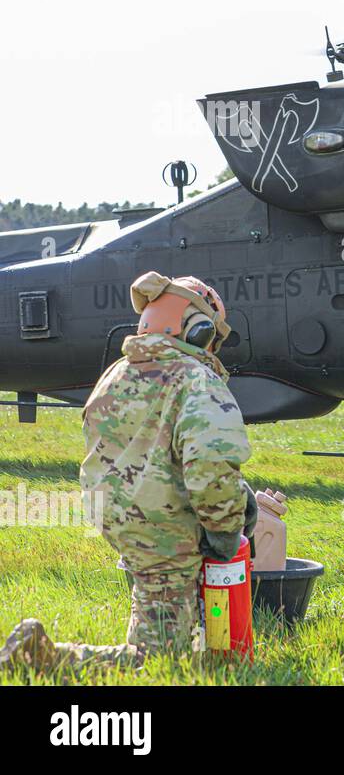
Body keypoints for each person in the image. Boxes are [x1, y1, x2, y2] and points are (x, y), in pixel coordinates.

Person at [0, 272, 256, 673]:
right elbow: (211, 468)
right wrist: (225, 533)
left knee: (162, 610)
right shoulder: (194, 379)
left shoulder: (117, 374)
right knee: (159, 661)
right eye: (212, 337)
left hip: (124, 522)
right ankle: (40, 657)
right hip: (165, 529)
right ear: (197, 329)